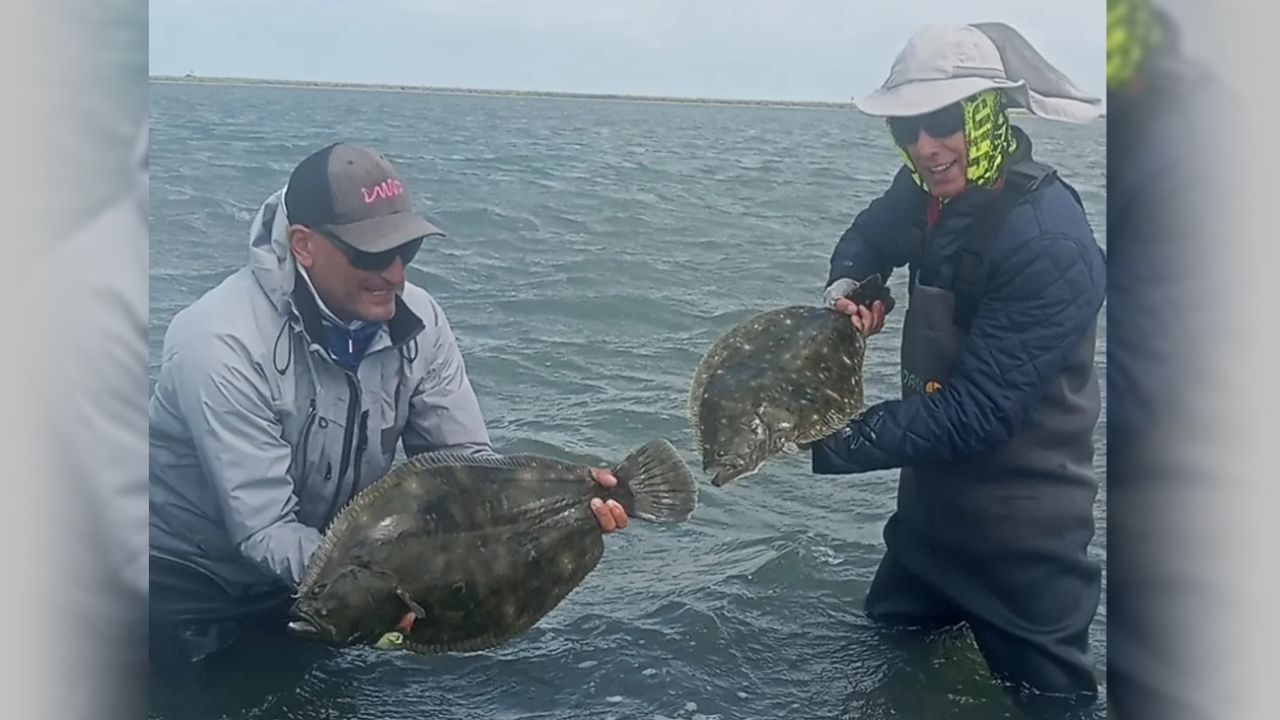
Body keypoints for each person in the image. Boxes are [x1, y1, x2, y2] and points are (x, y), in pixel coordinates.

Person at [148, 142, 630, 668]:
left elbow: (468, 474)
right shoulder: (220, 345)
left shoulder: (421, 321)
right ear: (303, 245)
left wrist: (571, 507)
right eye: (373, 255)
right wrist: (382, 589)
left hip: (329, 579)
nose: (396, 275)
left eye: (407, 250)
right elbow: (265, 530)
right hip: (194, 584)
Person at [809, 23, 1108, 712]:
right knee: (887, 663)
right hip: (927, 519)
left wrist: (827, 435)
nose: (926, 145)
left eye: (945, 121)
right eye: (907, 127)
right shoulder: (922, 190)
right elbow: (868, 236)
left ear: (987, 114)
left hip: (1023, 539)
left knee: (1052, 703)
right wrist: (852, 289)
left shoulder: (1050, 242)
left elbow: (980, 412)